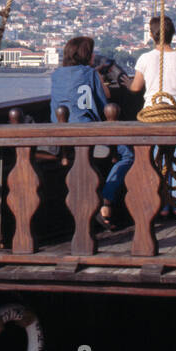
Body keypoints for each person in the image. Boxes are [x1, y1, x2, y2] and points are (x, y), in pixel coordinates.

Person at [51, 36, 133, 226]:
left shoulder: (56, 75)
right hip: (88, 134)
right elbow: (104, 103)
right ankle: (106, 199)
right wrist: (99, 77)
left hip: (61, 135)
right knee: (127, 154)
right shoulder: (90, 74)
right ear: (86, 55)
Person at [130, 15, 176, 110]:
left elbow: (136, 88)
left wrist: (128, 85)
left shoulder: (144, 58)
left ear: (151, 35)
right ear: (172, 34)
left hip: (151, 109)